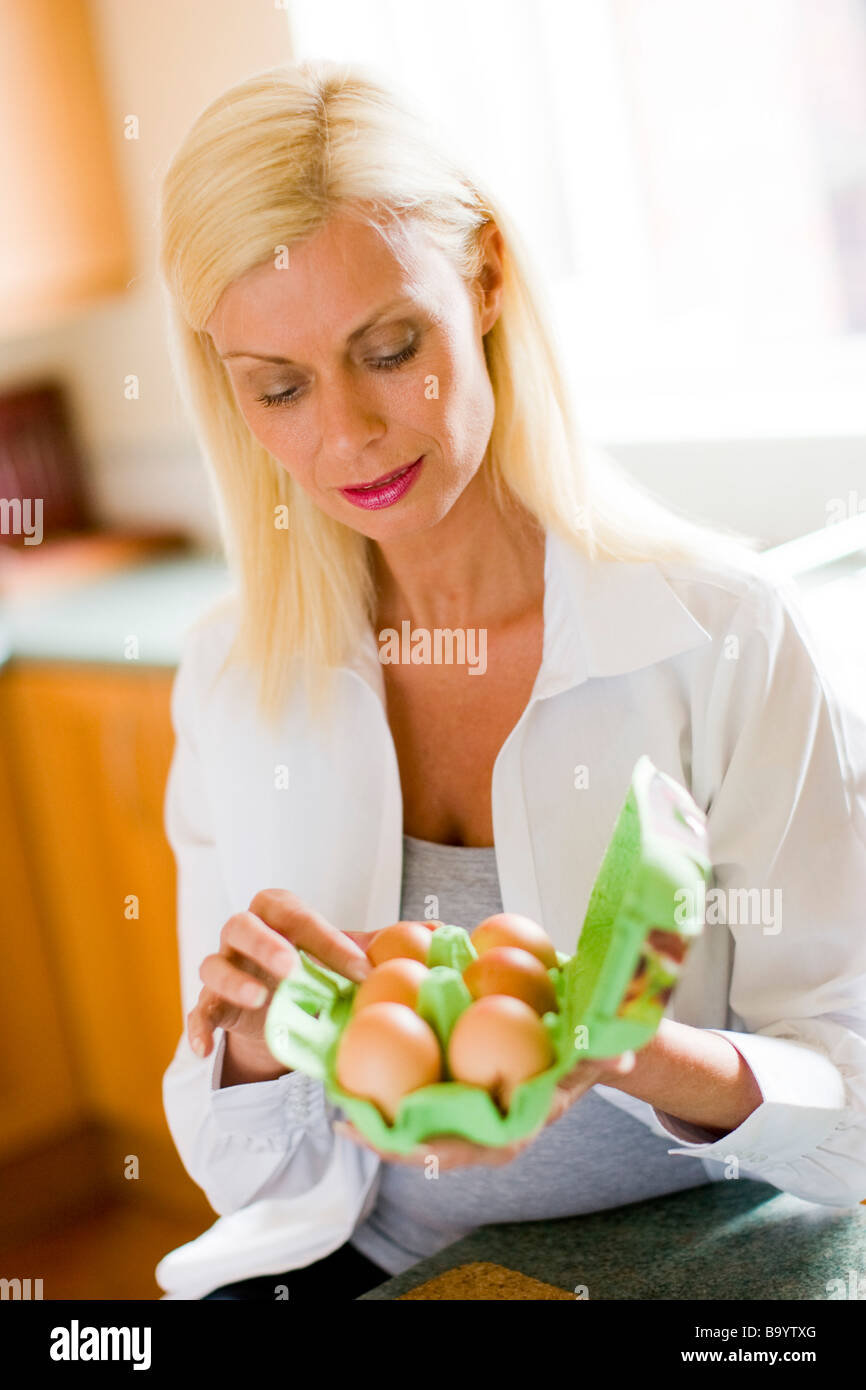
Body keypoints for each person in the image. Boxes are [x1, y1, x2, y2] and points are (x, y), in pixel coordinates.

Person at [155, 59, 866, 1300]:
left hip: (698, 1257)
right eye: (278, 386)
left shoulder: (724, 635)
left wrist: (629, 1049)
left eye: (388, 349)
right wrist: (261, 1054)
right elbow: (239, 1175)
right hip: (377, 1270)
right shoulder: (231, 678)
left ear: (482, 277)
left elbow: (849, 1113)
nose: (347, 435)